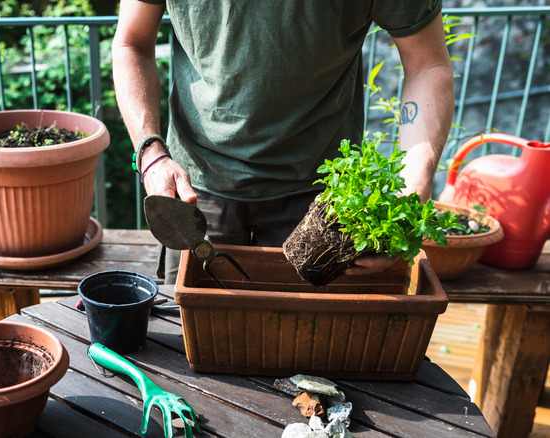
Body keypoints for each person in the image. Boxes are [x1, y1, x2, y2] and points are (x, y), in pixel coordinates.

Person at [112, 1, 454, 282]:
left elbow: (427, 66)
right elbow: (131, 43)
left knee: (310, 341)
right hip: (196, 189)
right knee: (191, 335)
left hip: (323, 201)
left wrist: (411, 194)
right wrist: (150, 154)